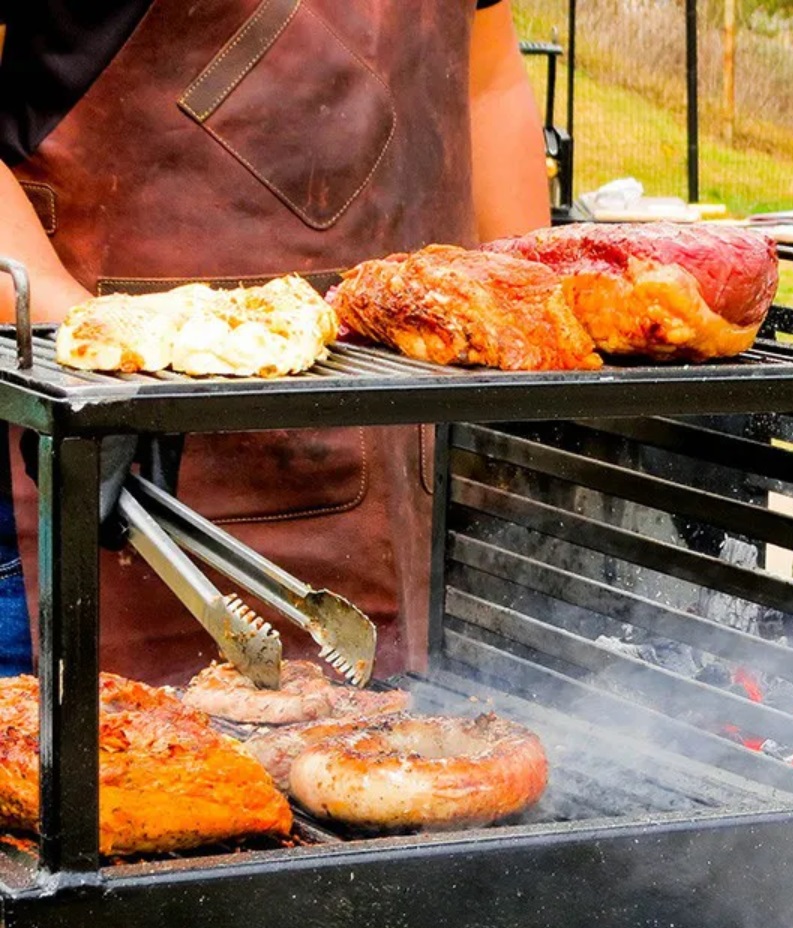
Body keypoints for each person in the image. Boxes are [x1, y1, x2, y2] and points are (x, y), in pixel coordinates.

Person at [0, 0, 550, 682]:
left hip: (420, 480)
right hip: (118, 478)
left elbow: (487, 81)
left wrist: (540, 330)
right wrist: (93, 350)